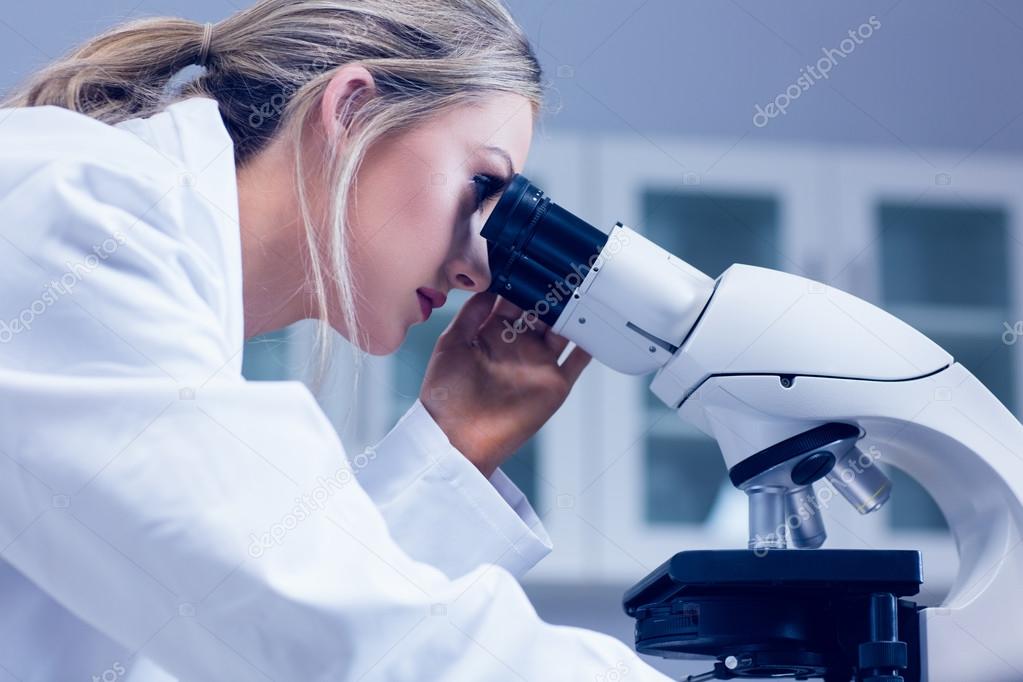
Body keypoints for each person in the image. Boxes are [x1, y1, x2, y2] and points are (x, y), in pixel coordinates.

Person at [0, 1, 672, 680]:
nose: (477, 269)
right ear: (350, 110)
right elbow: (312, 624)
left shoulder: (148, 258)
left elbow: (227, 638)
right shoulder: (78, 208)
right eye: (479, 185)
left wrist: (454, 448)